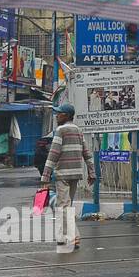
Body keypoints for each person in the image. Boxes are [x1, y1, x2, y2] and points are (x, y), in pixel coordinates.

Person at [40, 103, 95, 251]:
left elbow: (53, 154)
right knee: (66, 206)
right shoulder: (78, 130)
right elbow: (87, 153)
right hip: (75, 174)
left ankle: (73, 236)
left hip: (63, 174)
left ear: (66, 116)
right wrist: (92, 172)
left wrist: (45, 176)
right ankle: (62, 236)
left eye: (59, 114)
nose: (57, 116)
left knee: (63, 206)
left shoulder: (60, 130)